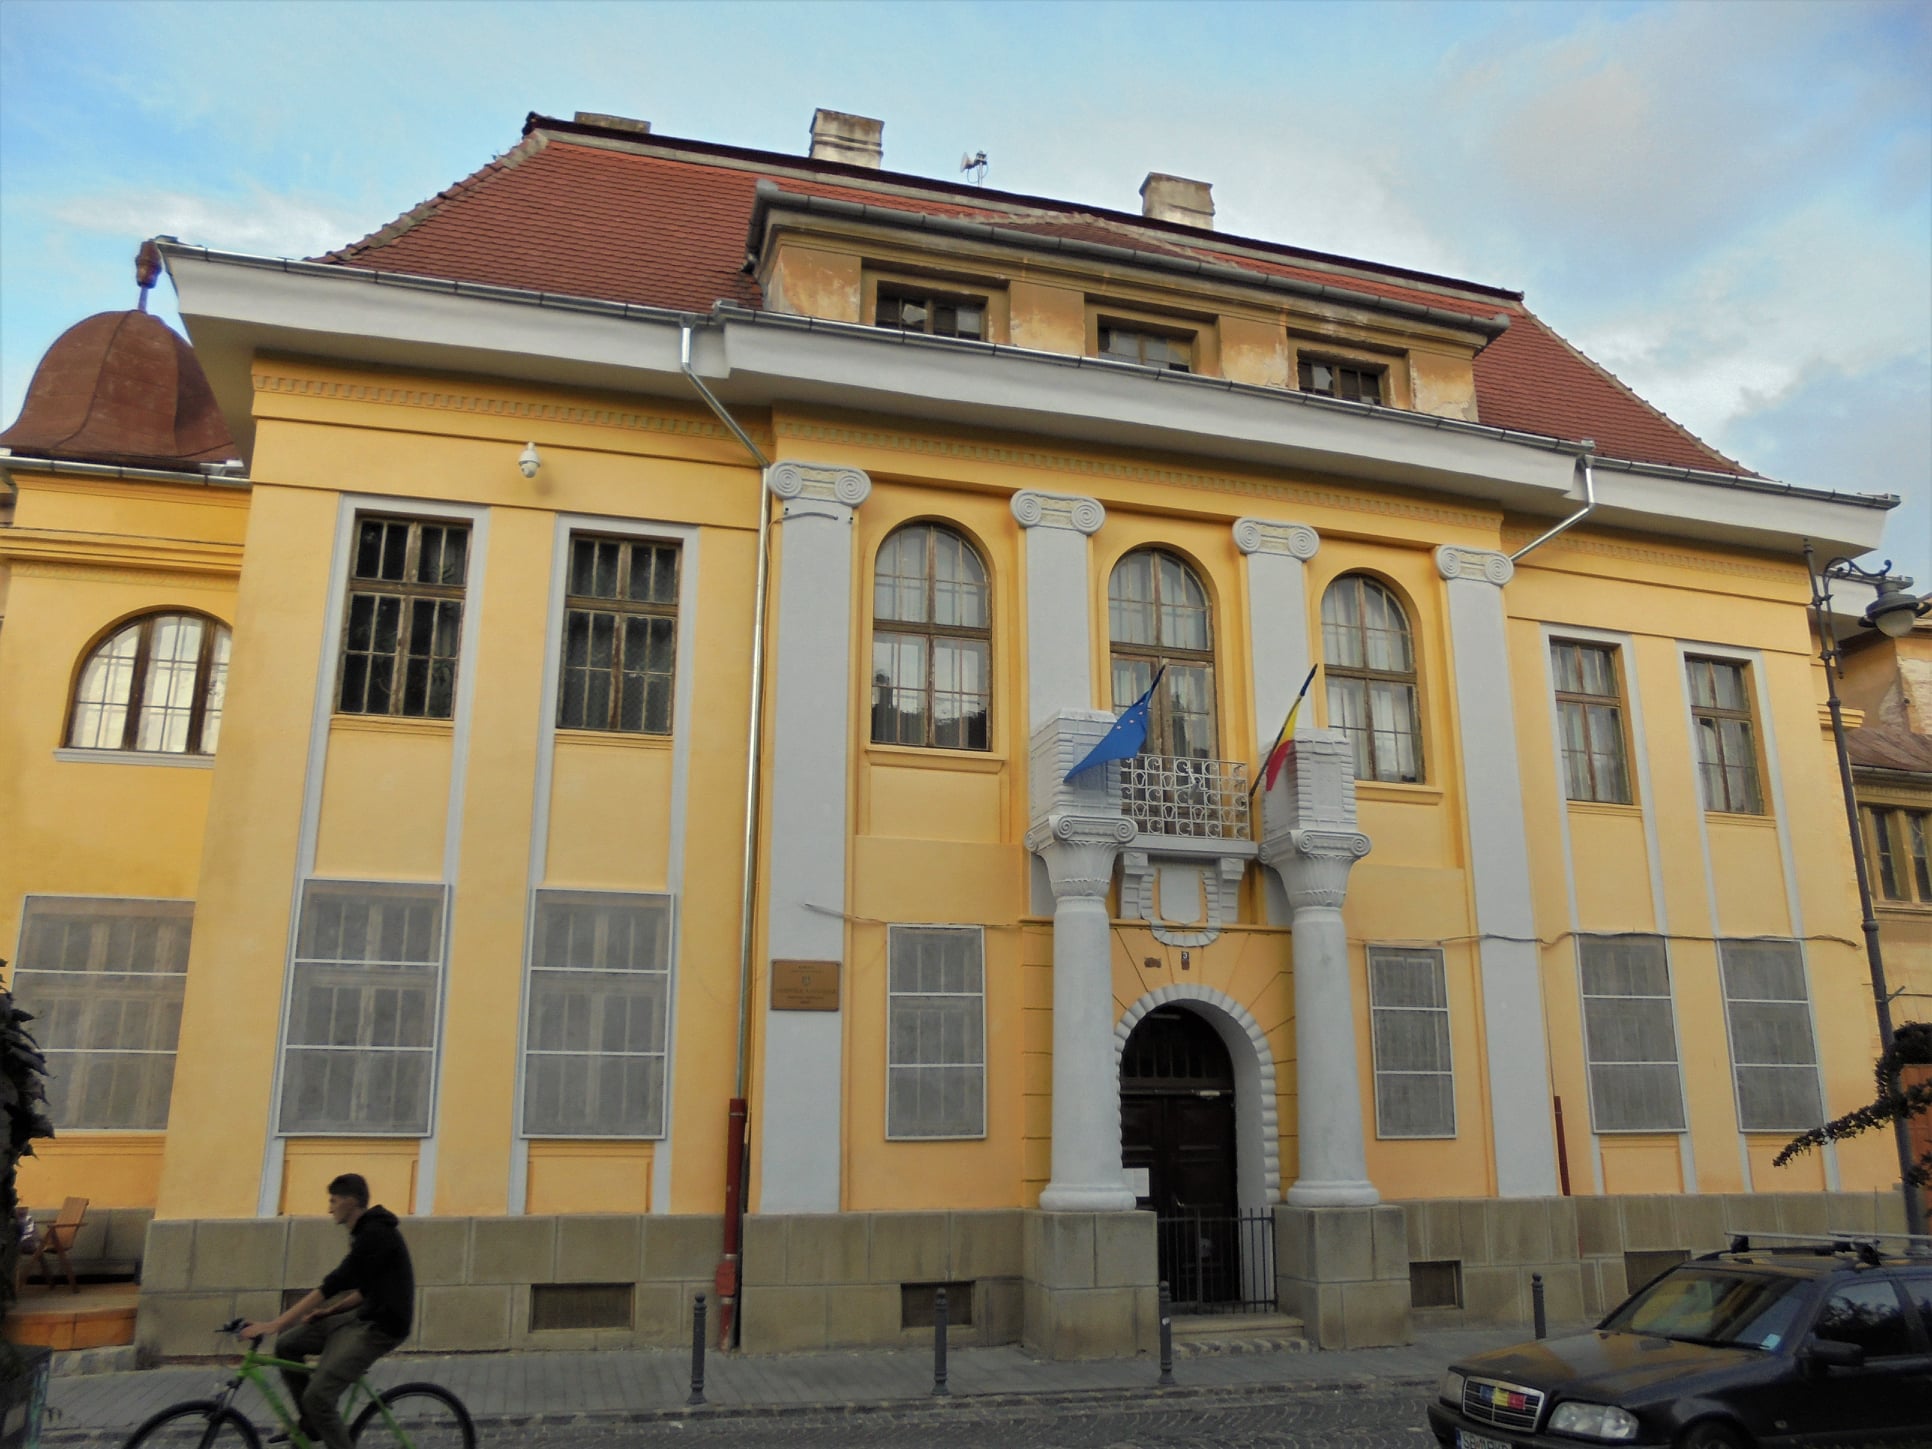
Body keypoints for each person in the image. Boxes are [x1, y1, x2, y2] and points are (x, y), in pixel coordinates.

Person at [241, 1173, 414, 1449]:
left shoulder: (376, 1234)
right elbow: (365, 1290)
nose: (329, 1208)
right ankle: (312, 1425)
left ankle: (318, 1415)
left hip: (381, 1327)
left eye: (333, 1201)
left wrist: (276, 1323)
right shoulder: (363, 1233)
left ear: (351, 1201)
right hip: (362, 1316)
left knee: (318, 1397)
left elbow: (332, 1283)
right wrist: (329, 1312)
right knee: (287, 1345)